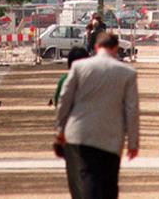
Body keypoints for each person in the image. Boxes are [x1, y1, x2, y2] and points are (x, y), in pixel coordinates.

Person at [56, 33, 141, 199]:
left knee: (88, 178)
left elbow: (64, 99)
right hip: (111, 137)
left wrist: (60, 129)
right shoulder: (127, 73)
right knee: (109, 183)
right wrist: (133, 141)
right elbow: (131, 109)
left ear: (96, 47)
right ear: (116, 48)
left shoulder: (79, 67)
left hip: (80, 133)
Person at [54, 47, 91, 199]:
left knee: (75, 175)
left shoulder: (65, 80)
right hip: (92, 131)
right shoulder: (94, 80)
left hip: (72, 132)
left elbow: (59, 105)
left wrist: (59, 131)